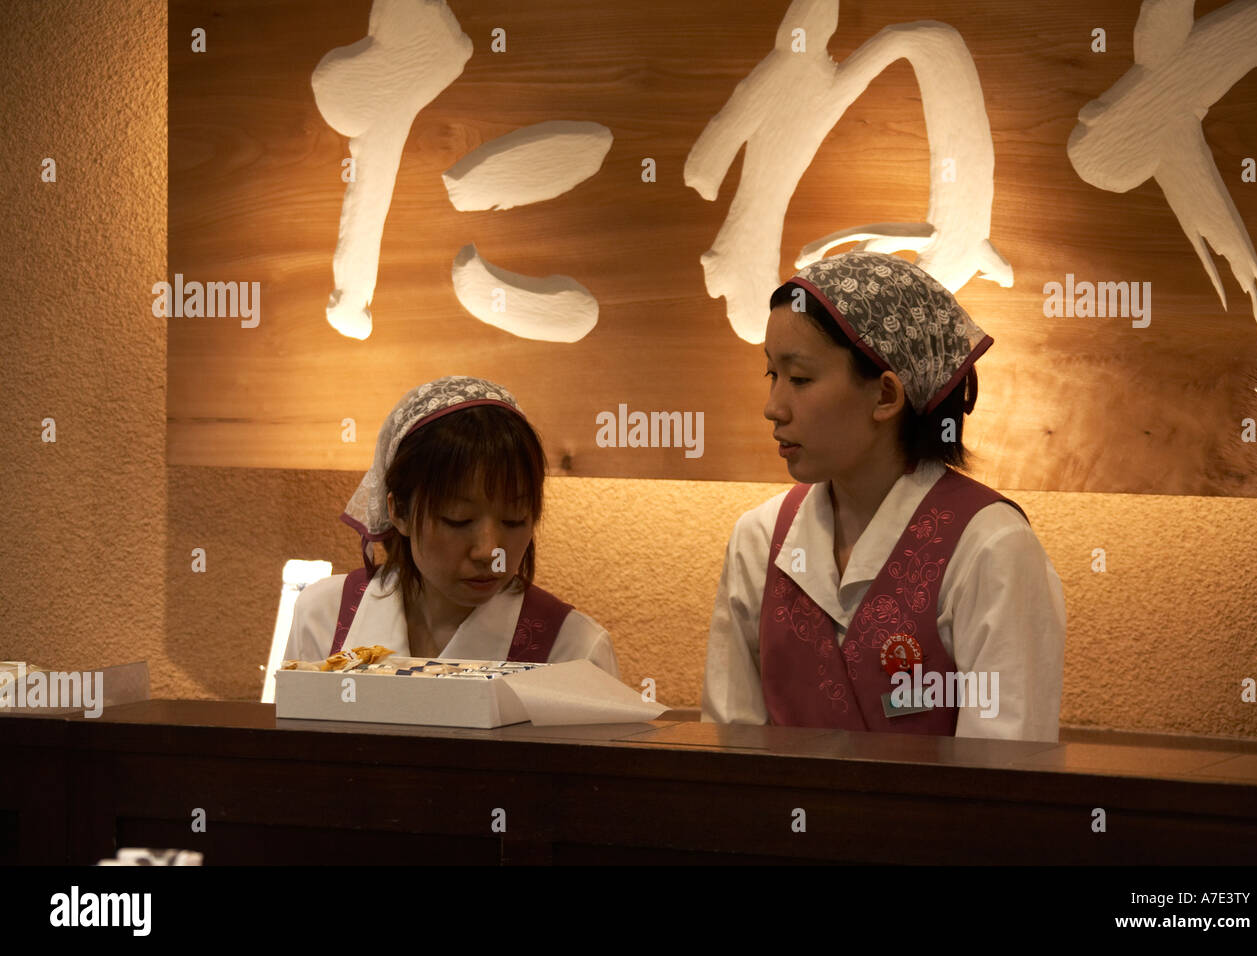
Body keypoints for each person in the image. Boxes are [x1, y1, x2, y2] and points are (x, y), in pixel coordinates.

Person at [701, 251, 1064, 741]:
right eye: (772, 375)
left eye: (801, 378)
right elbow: (729, 750)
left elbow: (1001, 778)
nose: (773, 407)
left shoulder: (990, 547)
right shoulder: (759, 539)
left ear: (887, 395)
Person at [283, 375, 618, 676]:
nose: (490, 551)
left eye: (514, 519)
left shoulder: (574, 651)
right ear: (398, 510)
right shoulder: (323, 617)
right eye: (458, 519)